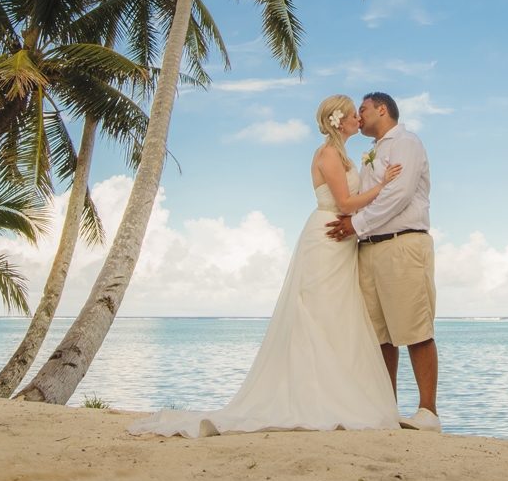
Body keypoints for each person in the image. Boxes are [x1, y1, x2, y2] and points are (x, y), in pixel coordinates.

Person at [127, 95, 405, 436]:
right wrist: (383, 186)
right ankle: (316, 396)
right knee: (318, 315)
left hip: (342, 243)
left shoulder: (344, 155)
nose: (358, 120)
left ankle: (341, 392)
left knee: (340, 316)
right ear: (338, 121)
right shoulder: (329, 154)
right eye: (352, 115)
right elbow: (345, 202)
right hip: (327, 237)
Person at [325, 91, 439, 432]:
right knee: (380, 335)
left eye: (363, 110)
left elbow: (399, 195)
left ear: (382, 109)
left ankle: (428, 412)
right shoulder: (370, 153)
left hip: (402, 244)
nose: (358, 117)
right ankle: (386, 408)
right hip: (368, 247)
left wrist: (354, 225)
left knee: (415, 327)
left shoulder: (406, 142)